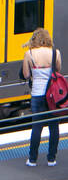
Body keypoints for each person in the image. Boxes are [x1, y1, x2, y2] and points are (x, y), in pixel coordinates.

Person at [22, 27, 62, 167]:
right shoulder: (55, 53)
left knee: (37, 127)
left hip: (37, 94)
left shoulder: (29, 54)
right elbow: (57, 70)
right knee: (54, 126)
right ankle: (51, 159)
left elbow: (26, 75)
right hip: (53, 96)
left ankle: (32, 159)